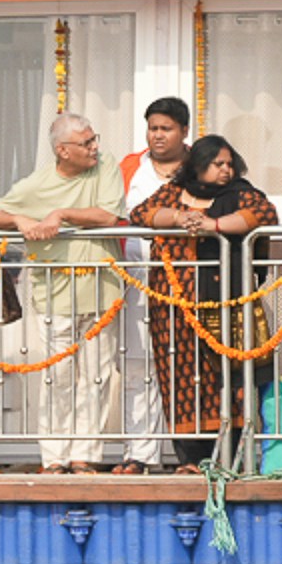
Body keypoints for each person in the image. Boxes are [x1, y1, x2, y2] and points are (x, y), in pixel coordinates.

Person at [0, 113, 129, 468]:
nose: (95, 147)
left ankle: (85, 456)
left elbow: (109, 215)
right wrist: (21, 220)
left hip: (101, 291)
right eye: (86, 143)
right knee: (56, 378)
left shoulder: (105, 165)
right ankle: (54, 457)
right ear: (63, 151)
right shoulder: (37, 184)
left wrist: (60, 214)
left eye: (95, 139)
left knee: (95, 377)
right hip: (54, 294)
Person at [134, 132, 279, 464]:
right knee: (183, 382)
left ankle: (233, 458)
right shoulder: (173, 192)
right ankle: (190, 461)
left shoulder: (240, 194)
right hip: (175, 312)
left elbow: (265, 215)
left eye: (229, 164)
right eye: (217, 164)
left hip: (226, 307)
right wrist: (178, 218)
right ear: (198, 166)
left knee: (230, 384)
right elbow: (142, 215)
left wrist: (213, 224)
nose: (225, 170)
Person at [107, 97, 192, 467]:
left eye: (166, 129)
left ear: (184, 132)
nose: (157, 136)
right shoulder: (129, 167)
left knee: (187, 368)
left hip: (188, 284)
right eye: (153, 128)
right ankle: (140, 453)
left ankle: (192, 453)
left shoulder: (199, 166)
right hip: (136, 282)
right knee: (138, 367)